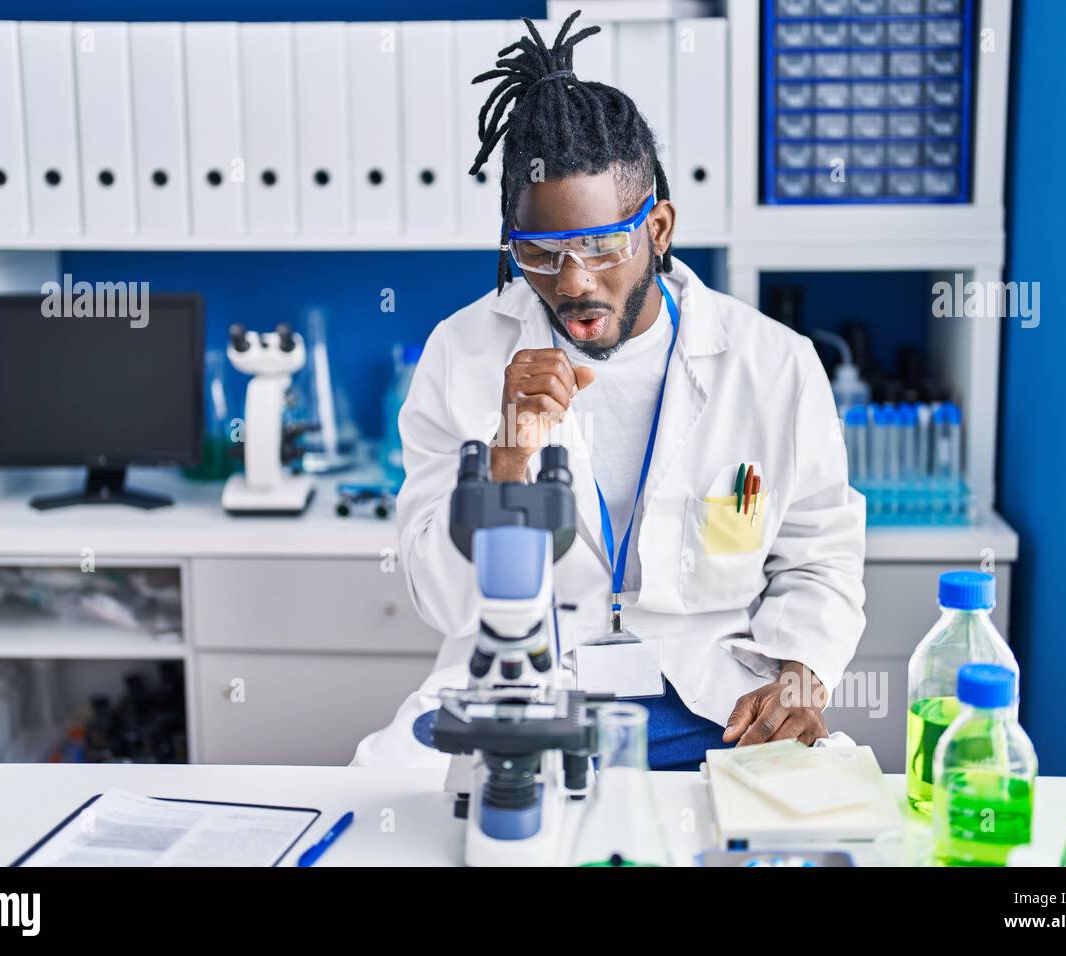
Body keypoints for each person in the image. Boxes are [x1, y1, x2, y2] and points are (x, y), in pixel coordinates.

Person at [353, 13, 865, 770]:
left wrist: (800, 671)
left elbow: (819, 559)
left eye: (602, 244)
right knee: (389, 800)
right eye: (539, 252)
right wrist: (506, 462)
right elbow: (443, 600)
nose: (575, 282)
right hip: (525, 700)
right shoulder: (461, 357)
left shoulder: (774, 365)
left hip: (715, 706)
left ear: (658, 227)